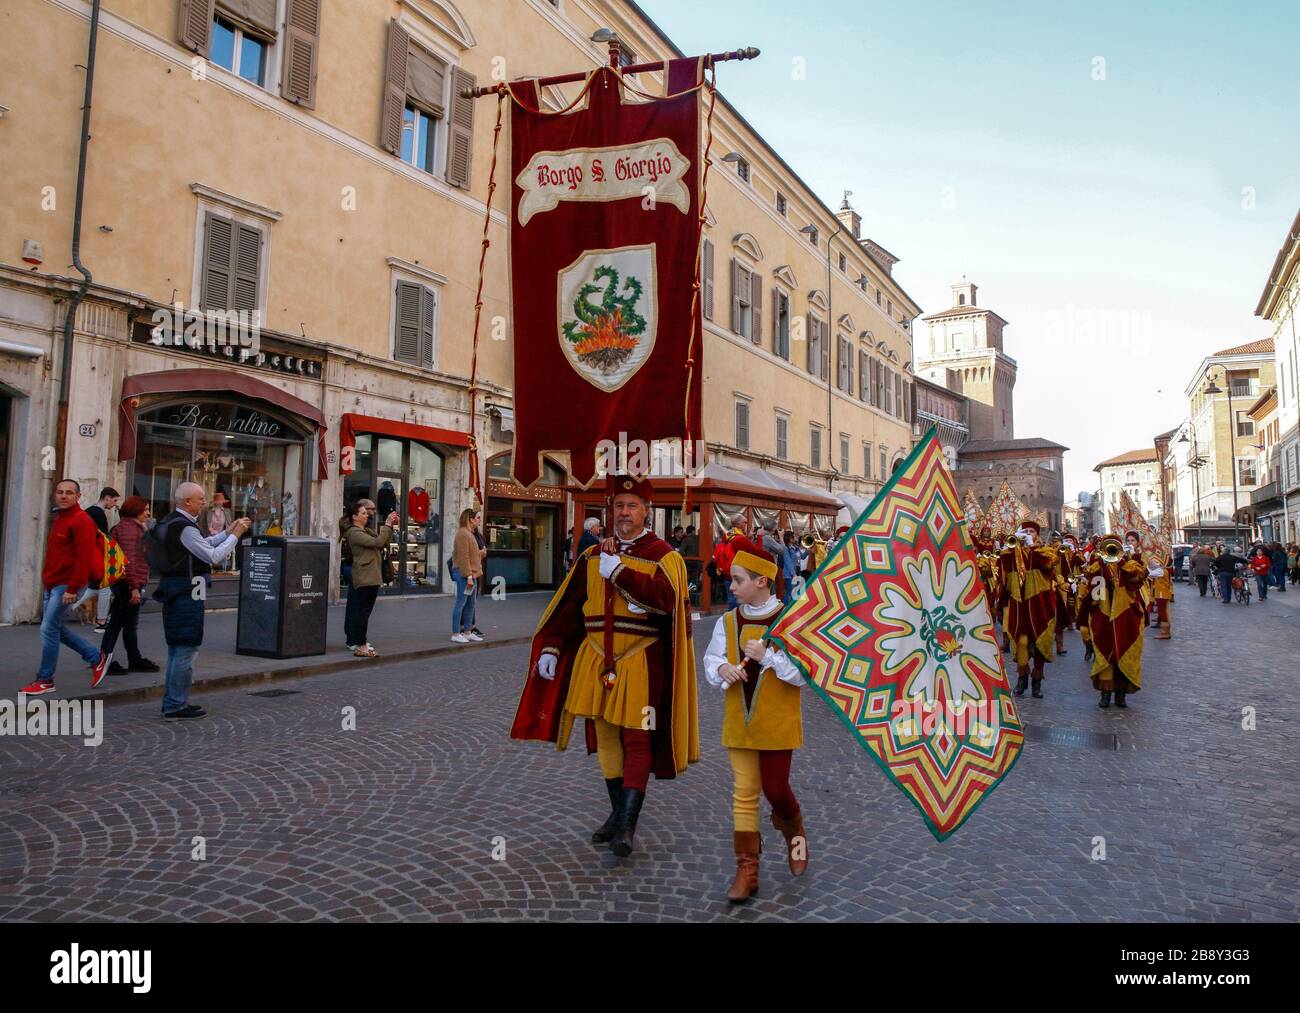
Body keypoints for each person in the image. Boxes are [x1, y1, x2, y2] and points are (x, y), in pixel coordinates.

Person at [511, 473, 699, 859]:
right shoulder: (591, 555)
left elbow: (668, 603)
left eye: (632, 507)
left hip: (641, 661)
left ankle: (627, 825)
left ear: (646, 512)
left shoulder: (665, 555)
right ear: (610, 511)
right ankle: (618, 815)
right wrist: (552, 647)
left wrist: (619, 572)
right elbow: (570, 607)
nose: (624, 513)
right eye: (619, 506)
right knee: (606, 736)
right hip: (594, 656)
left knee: (637, 738)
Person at [702, 539, 807, 903]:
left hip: (777, 723)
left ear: (761, 581)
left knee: (777, 791)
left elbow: (802, 675)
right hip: (739, 724)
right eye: (731, 580)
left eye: (738, 579)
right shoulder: (728, 621)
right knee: (744, 796)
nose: (731, 587)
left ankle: (794, 829)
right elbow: (711, 660)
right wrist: (724, 668)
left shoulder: (789, 621)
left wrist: (768, 657)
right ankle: (747, 869)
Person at [153, 482, 250, 720]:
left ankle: (174, 701)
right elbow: (213, 556)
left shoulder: (173, 522)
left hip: (177, 590)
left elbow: (203, 545)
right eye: (200, 498)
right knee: (185, 648)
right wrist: (235, 537)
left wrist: (226, 533)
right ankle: (176, 704)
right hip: (186, 592)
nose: (204, 502)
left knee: (178, 648)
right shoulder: (184, 527)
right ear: (187, 502)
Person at [21, 479, 112, 695]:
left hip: (66, 585)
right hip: (53, 583)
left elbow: (84, 558)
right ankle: (95, 657)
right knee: (54, 628)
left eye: (69, 493)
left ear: (78, 497)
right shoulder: (60, 518)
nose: (63, 496)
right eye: (60, 492)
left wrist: (72, 588)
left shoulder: (82, 521)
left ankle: (45, 679)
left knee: (48, 629)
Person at [1076, 535, 1147, 709]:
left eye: (1115, 547)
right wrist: (1104, 574)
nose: (1111, 551)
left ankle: (1121, 694)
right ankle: (1106, 693)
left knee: (1124, 653)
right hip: (1104, 615)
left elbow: (1138, 580)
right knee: (1105, 654)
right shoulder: (1097, 568)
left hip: (1126, 615)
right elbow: (1095, 596)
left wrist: (1130, 558)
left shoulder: (1128, 566)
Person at [998, 519, 1057, 698]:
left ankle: (1037, 681)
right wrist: (1012, 544)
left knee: (1039, 645)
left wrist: (1032, 548)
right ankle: (1022, 677)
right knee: (1021, 643)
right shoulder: (1013, 553)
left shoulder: (1044, 551)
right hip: (1020, 604)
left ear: (1037, 535)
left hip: (1040, 604)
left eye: (1031, 531)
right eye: (1025, 531)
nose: (1028, 534)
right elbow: (1002, 566)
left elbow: (1049, 565)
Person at [101, 496, 159, 674]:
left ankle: (133, 658)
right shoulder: (130, 530)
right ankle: (105, 661)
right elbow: (128, 562)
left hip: (125, 583)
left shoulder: (129, 527)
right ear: (136, 510)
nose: (148, 513)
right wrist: (134, 587)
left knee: (127, 623)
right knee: (118, 623)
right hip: (127, 584)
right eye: (145, 509)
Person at [342, 500, 399, 657]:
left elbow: (383, 542)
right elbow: (378, 541)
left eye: (368, 512)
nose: (367, 515)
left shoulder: (366, 530)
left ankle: (360, 641)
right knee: (361, 611)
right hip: (364, 575)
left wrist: (391, 525)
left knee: (364, 612)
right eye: (364, 513)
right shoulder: (354, 532)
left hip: (372, 575)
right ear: (355, 516)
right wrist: (387, 524)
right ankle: (359, 643)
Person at [81, 486, 120, 631]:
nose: (115, 504)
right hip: (96, 554)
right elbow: (103, 538)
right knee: (105, 587)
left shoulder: (89, 511)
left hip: (88, 553)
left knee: (94, 587)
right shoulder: (99, 514)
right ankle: (101, 621)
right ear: (107, 498)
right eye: (114, 500)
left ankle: (73, 606)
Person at [451, 509, 483, 643]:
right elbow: (464, 557)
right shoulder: (463, 534)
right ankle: (455, 633)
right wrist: (469, 576)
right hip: (466, 575)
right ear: (470, 519)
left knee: (470, 604)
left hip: (471, 574)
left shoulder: (469, 533)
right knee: (461, 603)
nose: (479, 520)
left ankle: (467, 631)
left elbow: (471, 555)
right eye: (477, 518)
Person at [711, 514, 746, 608]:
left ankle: (730, 618)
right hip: (737, 572)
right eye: (744, 522)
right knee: (738, 600)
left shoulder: (727, 535)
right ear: (738, 524)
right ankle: (733, 619)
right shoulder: (740, 538)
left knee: (731, 598)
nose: (746, 524)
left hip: (726, 571)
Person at [198, 488, 235, 573]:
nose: (220, 502)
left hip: (223, 535)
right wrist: (212, 532)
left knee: (227, 546)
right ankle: (209, 568)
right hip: (211, 536)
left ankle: (224, 568)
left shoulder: (227, 511)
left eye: (221, 501)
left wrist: (228, 535)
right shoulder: (208, 511)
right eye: (218, 501)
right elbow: (204, 525)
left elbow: (229, 524)